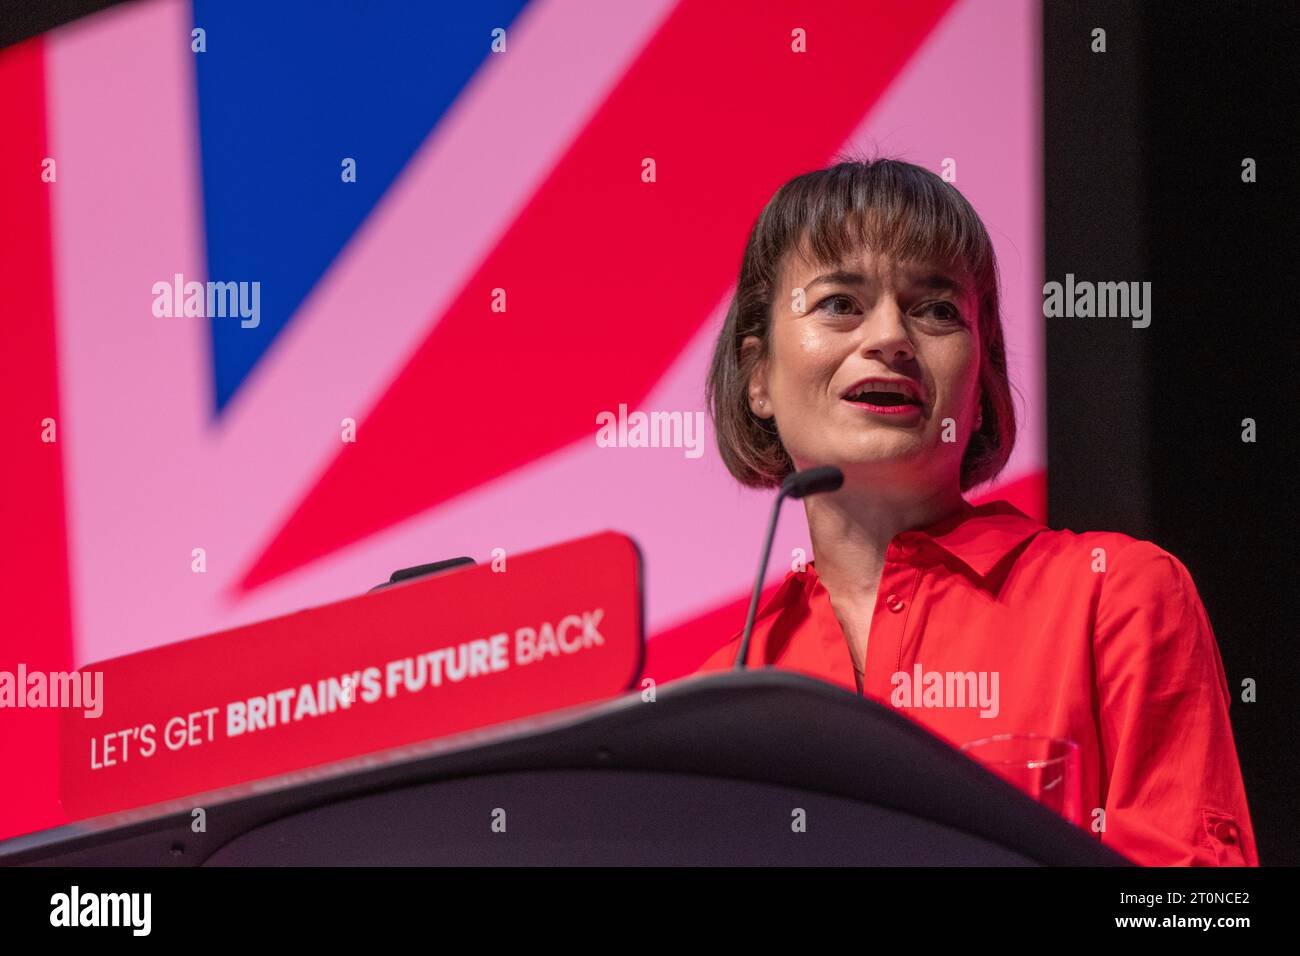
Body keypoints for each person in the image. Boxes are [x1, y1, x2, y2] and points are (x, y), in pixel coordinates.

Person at [694, 157, 1258, 866]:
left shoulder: (1116, 595)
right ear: (758, 379)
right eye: (840, 302)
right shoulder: (720, 694)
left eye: (936, 310)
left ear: (983, 380)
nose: (890, 338)